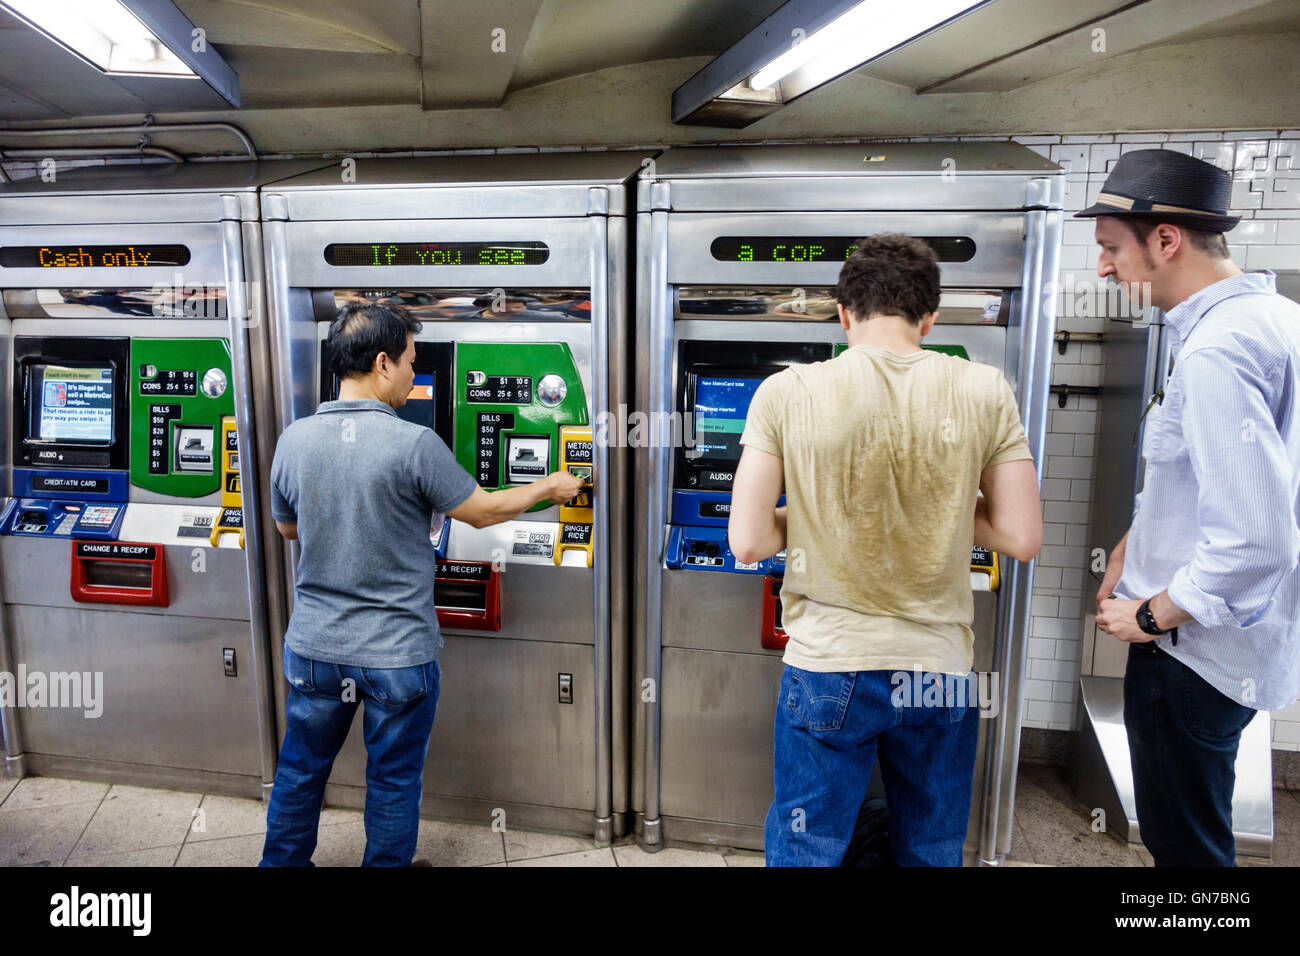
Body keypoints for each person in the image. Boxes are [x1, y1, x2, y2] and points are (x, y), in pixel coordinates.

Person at [729, 233, 1042, 867]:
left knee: (806, 847)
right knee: (929, 847)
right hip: (938, 669)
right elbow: (1020, 536)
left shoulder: (786, 393)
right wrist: (948, 513)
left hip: (829, 663)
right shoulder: (985, 391)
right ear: (929, 317)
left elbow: (749, 540)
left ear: (843, 312)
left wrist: (813, 514)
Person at [260, 303, 583, 867]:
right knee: (392, 780)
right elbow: (481, 512)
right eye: (411, 361)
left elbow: (288, 527)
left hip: (313, 649)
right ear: (383, 363)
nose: (414, 373)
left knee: (299, 771)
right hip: (395, 654)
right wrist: (550, 487)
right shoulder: (413, 444)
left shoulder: (293, 440)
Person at [1088, 149, 1300, 866]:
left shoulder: (1219, 348)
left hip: (1190, 652)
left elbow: (1258, 543)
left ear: (1166, 239)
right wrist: (1134, 541)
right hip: (1238, 641)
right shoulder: (1279, 321)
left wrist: (1149, 616)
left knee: (1188, 853)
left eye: (1112, 248)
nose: (1104, 269)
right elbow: (1227, 483)